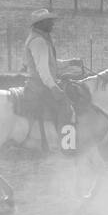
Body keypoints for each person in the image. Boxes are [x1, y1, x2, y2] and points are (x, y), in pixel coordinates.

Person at [22, 9, 76, 153]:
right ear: (41, 24)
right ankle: (67, 147)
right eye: (49, 21)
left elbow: (49, 63)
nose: (53, 23)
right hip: (40, 85)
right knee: (66, 107)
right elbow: (43, 70)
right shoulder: (39, 41)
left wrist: (70, 62)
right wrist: (54, 87)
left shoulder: (39, 38)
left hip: (38, 82)